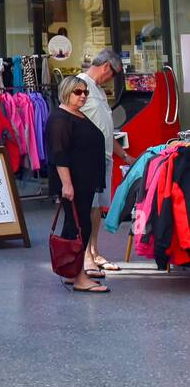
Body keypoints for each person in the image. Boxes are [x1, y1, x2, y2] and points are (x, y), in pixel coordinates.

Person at [48, 75, 111, 293]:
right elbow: (59, 154)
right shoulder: (60, 118)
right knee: (80, 225)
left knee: (75, 225)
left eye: (85, 92)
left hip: (85, 180)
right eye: (78, 92)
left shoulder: (77, 114)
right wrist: (67, 184)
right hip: (74, 181)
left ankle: (72, 270)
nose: (83, 96)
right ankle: (79, 276)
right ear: (66, 92)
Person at [77, 48, 131, 279]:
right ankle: (86, 256)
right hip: (88, 158)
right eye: (113, 75)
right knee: (89, 207)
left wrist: (124, 156)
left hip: (103, 157)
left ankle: (94, 251)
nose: (111, 80)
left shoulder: (97, 90)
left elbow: (106, 129)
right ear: (107, 67)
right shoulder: (80, 85)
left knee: (97, 207)